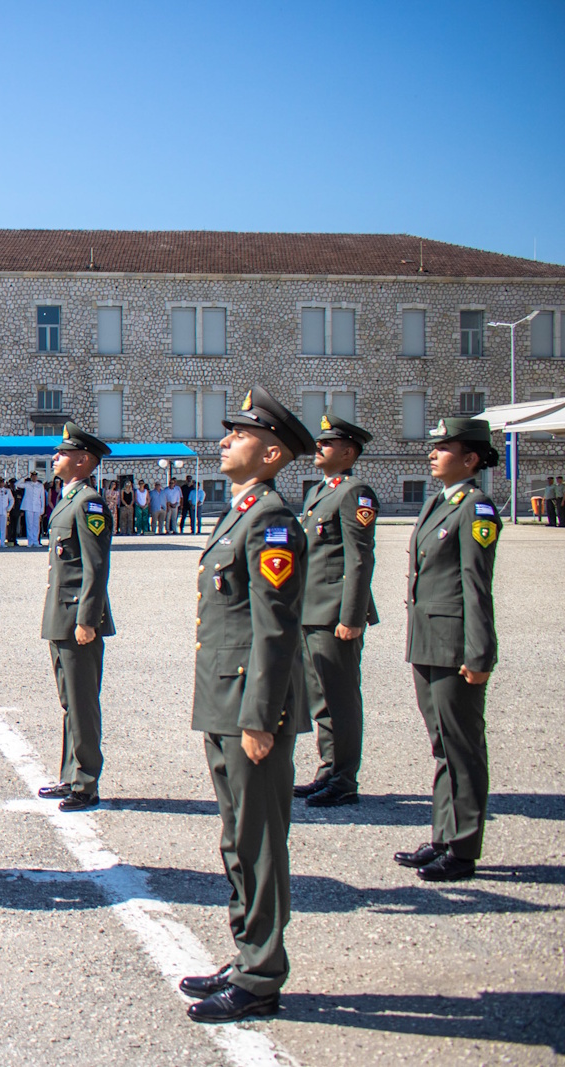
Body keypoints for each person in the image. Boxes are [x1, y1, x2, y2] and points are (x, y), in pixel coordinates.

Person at [178, 386, 311, 1024]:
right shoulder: (243, 512)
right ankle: (245, 954)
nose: (226, 437)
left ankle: (261, 976)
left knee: (257, 840)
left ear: (272, 452)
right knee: (237, 837)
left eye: (241, 432)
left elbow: (276, 629)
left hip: (248, 708)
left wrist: (263, 715)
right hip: (223, 700)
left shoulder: (272, 519)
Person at [396, 418, 502, 884]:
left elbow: (477, 588)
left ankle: (462, 849)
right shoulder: (440, 502)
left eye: (444, 448)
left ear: (471, 458)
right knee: (442, 745)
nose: (432, 454)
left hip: (455, 644)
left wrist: (479, 654)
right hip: (427, 640)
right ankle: (443, 834)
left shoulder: (475, 509)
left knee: (461, 748)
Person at [293, 413, 380, 808]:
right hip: (311, 611)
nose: (319, 447)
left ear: (348, 452)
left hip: (334, 614)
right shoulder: (318, 493)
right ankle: (328, 770)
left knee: (341, 698)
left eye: (328, 444)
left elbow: (359, 559)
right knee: (320, 698)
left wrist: (351, 617)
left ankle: (345, 779)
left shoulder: (354, 493)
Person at [36, 425, 114, 811]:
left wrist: (88, 619)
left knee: (82, 701)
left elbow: (95, 567)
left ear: (83, 460)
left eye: (63, 453)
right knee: (70, 700)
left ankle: (86, 782)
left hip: (77, 617)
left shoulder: (89, 502)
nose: (55, 457)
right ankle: (70, 775)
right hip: (60, 614)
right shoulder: (68, 499)